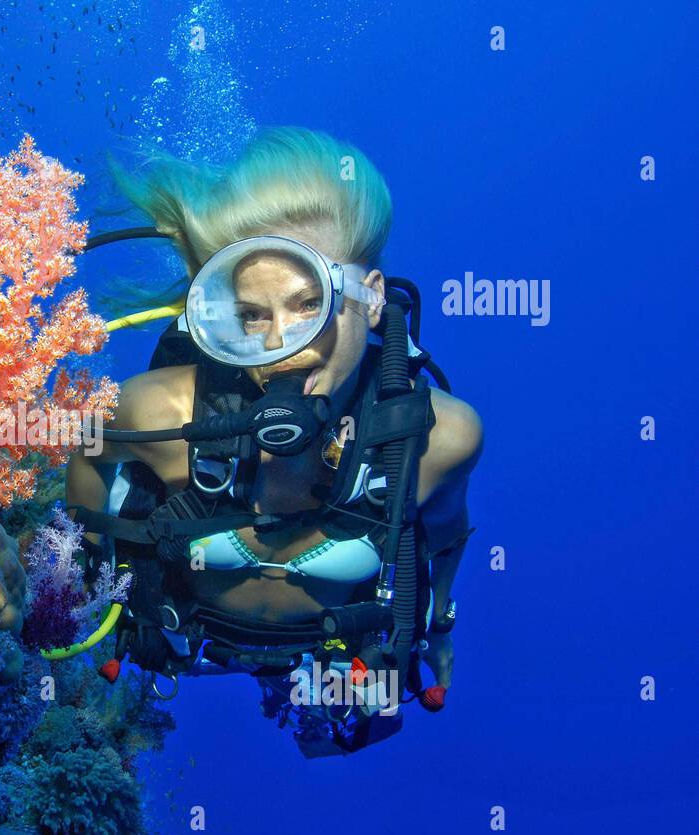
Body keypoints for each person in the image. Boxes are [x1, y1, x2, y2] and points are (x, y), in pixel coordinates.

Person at [64, 128, 482, 754]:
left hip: (332, 642)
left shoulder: (440, 438)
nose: (278, 345)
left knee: (340, 718)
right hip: (186, 631)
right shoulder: (159, 410)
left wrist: (439, 625)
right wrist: (86, 584)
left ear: (369, 299)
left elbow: (444, 535)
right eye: (253, 315)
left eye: (308, 303)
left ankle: (300, 699)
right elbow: (89, 459)